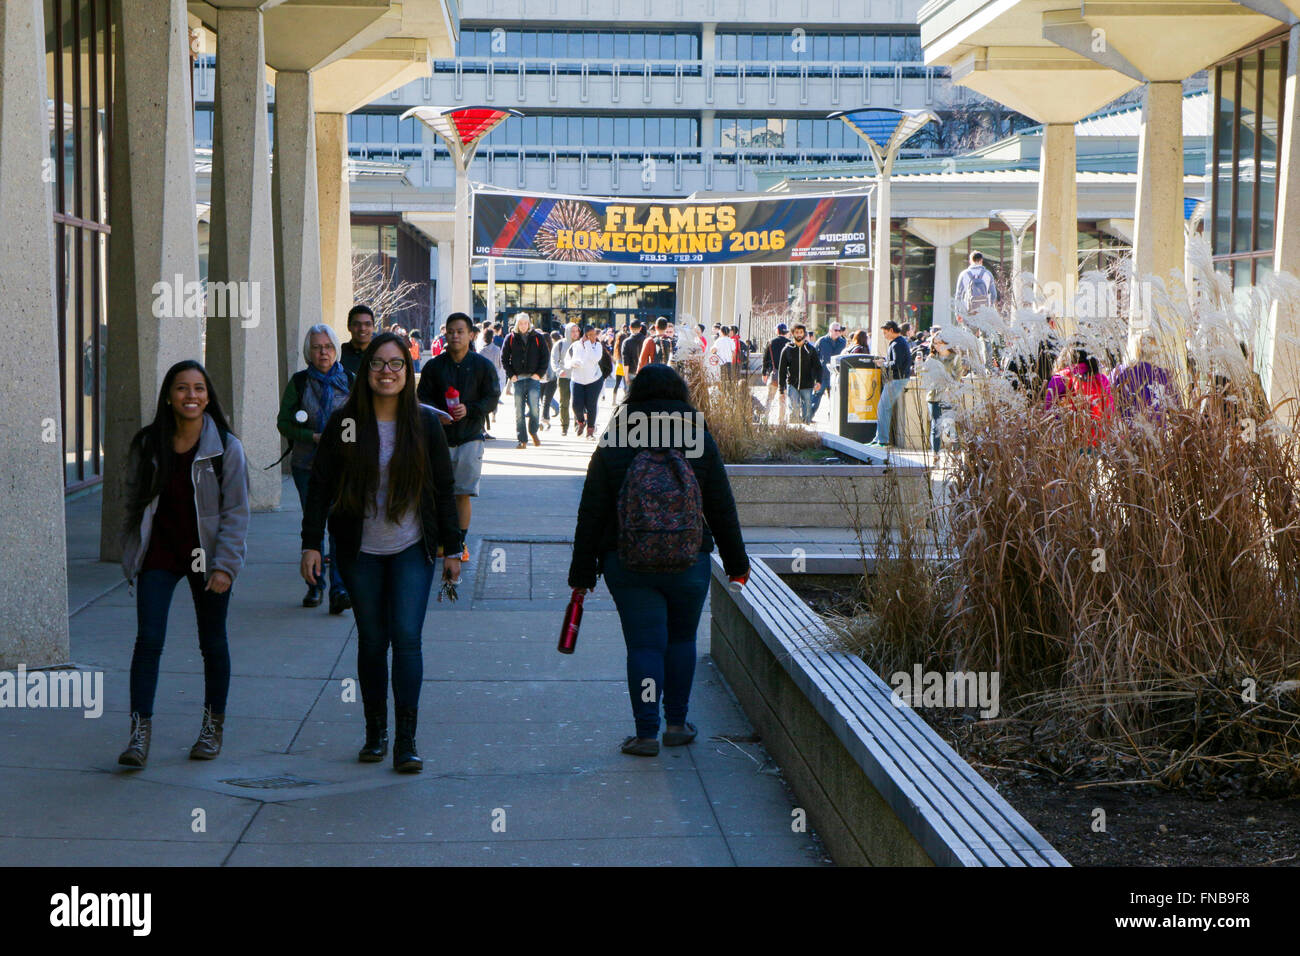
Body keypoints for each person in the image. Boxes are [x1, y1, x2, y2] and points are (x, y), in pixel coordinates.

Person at [568, 364, 750, 756]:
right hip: (688, 560)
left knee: (645, 647)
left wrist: (581, 572)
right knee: (682, 640)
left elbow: (593, 507)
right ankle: (678, 724)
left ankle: (646, 733)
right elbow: (720, 503)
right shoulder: (696, 432)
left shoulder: (618, 432)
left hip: (627, 560)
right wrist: (738, 563)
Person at [302, 332, 462, 772]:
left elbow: (445, 491)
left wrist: (454, 549)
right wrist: (311, 543)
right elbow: (320, 486)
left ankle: (406, 742)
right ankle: (375, 734)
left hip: (412, 548)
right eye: (377, 364)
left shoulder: (424, 423)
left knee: (407, 640)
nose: (387, 372)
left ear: (407, 372)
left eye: (396, 364)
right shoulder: (346, 423)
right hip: (361, 551)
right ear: (365, 371)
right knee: (373, 641)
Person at [118, 360, 250, 768]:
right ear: (169, 396)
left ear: (208, 396)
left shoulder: (225, 446)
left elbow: (237, 512)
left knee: (212, 642)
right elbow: (131, 500)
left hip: (206, 558)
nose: (190, 396)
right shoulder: (148, 444)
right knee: (149, 641)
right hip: (160, 554)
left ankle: (212, 728)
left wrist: (226, 566)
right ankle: (139, 736)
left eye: (198, 388)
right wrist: (131, 549)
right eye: (181, 388)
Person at [277, 324, 355, 613]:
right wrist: (311, 436)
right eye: (317, 347)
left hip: (341, 466)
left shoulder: (349, 380)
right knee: (314, 524)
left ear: (336, 349)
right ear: (309, 352)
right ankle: (315, 586)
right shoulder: (299, 383)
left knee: (339, 526)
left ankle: (339, 589)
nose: (323, 352)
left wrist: (341, 439)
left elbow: (360, 421)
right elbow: (283, 423)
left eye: (328, 346)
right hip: (307, 465)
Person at [417, 313, 501, 563]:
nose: (454, 336)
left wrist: (470, 409)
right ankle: (439, 540)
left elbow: (492, 397)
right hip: (439, 438)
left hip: (469, 437)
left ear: (470, 335)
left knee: (462, 493)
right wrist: (436, 415)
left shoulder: (481, 366)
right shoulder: (434, 366)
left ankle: (459, 541)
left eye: (460, 331)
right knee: (435, 493)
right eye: (450, 331)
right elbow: (422, 397)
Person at [1045, 345, 1115, 448]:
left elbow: (1049, 412)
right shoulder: (1101, 379)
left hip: (1068, 444)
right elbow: (1110, 410)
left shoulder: (1059, 378)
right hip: (1099, 442)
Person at [501, 312, 549, 448]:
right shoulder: (510, 338)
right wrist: (511, 375)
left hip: (533, 378)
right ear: (517, 324)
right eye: (520, 323)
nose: (523, 326)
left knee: (534, 408)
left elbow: (545, 357)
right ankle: (522, 440)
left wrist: (539, 374)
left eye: (525, 323)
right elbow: (504, 358)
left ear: (529, 323)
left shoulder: (537, 337)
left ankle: (533, 431)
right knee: (519, 412)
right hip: (518, 379)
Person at [1111, 332, 1178, 424]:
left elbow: (1112, 401)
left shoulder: (1123, 372)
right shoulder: (1163, 374)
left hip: (1129, 430)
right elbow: (1175, 407)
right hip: (1157, 431)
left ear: (1137, 349)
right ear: (1156, 350)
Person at [869, 320, 913, 447]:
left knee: (883, 408)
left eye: (885, 332)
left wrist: (883, 363)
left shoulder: (896, 344)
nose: (884, 335)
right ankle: (879, 438)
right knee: (883, 408)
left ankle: (882, 440)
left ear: (891, 330)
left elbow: (897, 364)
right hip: (898, 379)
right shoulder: (900, 342)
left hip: (896, 379)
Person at [1005, 314, 1060, 404]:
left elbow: (1009, 376)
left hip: (1027, 403)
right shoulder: (1057, 345)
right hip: (1051, 403)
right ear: (1052, 323)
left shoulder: (1022, 346)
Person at [565, 324, 608, 440]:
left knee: (591, 405)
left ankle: (590, 431)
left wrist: (588, 344)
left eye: (594, 334)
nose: (594, 337)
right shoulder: (575, 345)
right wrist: (572, 364)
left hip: (594, 380)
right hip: (577, 379)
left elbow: (594, 359)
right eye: (590, 335)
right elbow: (566, 361)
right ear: (584, 335)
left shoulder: (597, 346)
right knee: (575, 405)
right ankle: (581, 422)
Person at [925, 330, 963, 455]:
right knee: (936, 426)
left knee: (949, 426)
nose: (937, 346)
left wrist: (950, 388)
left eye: (940, 343)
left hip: (948, 395)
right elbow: (925, 375)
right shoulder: (931, 357)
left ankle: (955, 454)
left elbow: (957, 377)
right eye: (935, 344)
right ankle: (935, 455)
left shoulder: (955, 357)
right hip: (934, 395)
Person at [777, 323, 822, 424]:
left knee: (807, 412)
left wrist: (818, 381)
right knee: (794, 410)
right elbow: (782, 370)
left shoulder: (810, 350)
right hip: (792, 384)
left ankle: (807, 433)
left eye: (801, 332)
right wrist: (781, 389)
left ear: (804, 334)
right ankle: (794, 434)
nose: (799, 335)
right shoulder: (787, 350)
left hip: (807, 385)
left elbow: (818, 367)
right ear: (793, 334)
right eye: (796, 332)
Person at [810, 322, 846, 420]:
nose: (838, 332)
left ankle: (833, 419)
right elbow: (813, 356)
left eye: (839, 330)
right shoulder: (821, 341)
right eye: (836, 330)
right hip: (822, 375)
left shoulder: (843, 342)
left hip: (836, 374)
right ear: (830, 330)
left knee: (835, 399)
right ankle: (808, 417)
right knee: (816, 396)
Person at [552, 323, 580, 435]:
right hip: (564, 377)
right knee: (564, 402)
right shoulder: (560, 344)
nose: (575, 333)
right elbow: (554, 360)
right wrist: (559, 371)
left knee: (578, 403)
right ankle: (564, 426)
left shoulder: (582, 344)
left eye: (576, 331)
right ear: (567, 332)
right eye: (572, 331)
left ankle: (578, 425)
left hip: (579, 378)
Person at [478, 325, 505, 437]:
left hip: (482, 380)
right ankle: (491, 416)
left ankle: (483, 428)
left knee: (483, 404)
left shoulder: (480, 351)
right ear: (492, 338)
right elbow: (500, 364)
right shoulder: (497, 350)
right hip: (494, 379)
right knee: (492, 400)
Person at [955, 251, 998, 316]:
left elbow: (958, 296)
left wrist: (958, 313)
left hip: (969, 311)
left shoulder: (964, 274)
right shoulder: (988, 274)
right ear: (981, 260)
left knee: (968, 326)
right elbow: (994, 295)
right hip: (984, 312)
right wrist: (989, 308)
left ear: (970, 261)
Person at [762, 323, 791, 418]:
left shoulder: (771, 342)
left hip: (774, 374)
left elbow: (765, 359)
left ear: (777, 331)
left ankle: (765, 419)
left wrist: (764, 373)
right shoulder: (790, 343)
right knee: (782, 400)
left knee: (769, 398)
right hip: (785, 376)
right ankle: (781, 422)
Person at [340, 304, 376, 376]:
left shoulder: (380, 354)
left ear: (373, 327)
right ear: (349, 327)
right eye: (357, 324)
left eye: (367, 324)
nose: (362, 328)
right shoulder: (338, 356)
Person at [621, 318, 648, 384]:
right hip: (645, 372)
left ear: (630, 327)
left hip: (631, 373)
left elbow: (625, 362)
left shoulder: (626, 342)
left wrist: (626, 377)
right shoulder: (647, 340)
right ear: (640, 328)